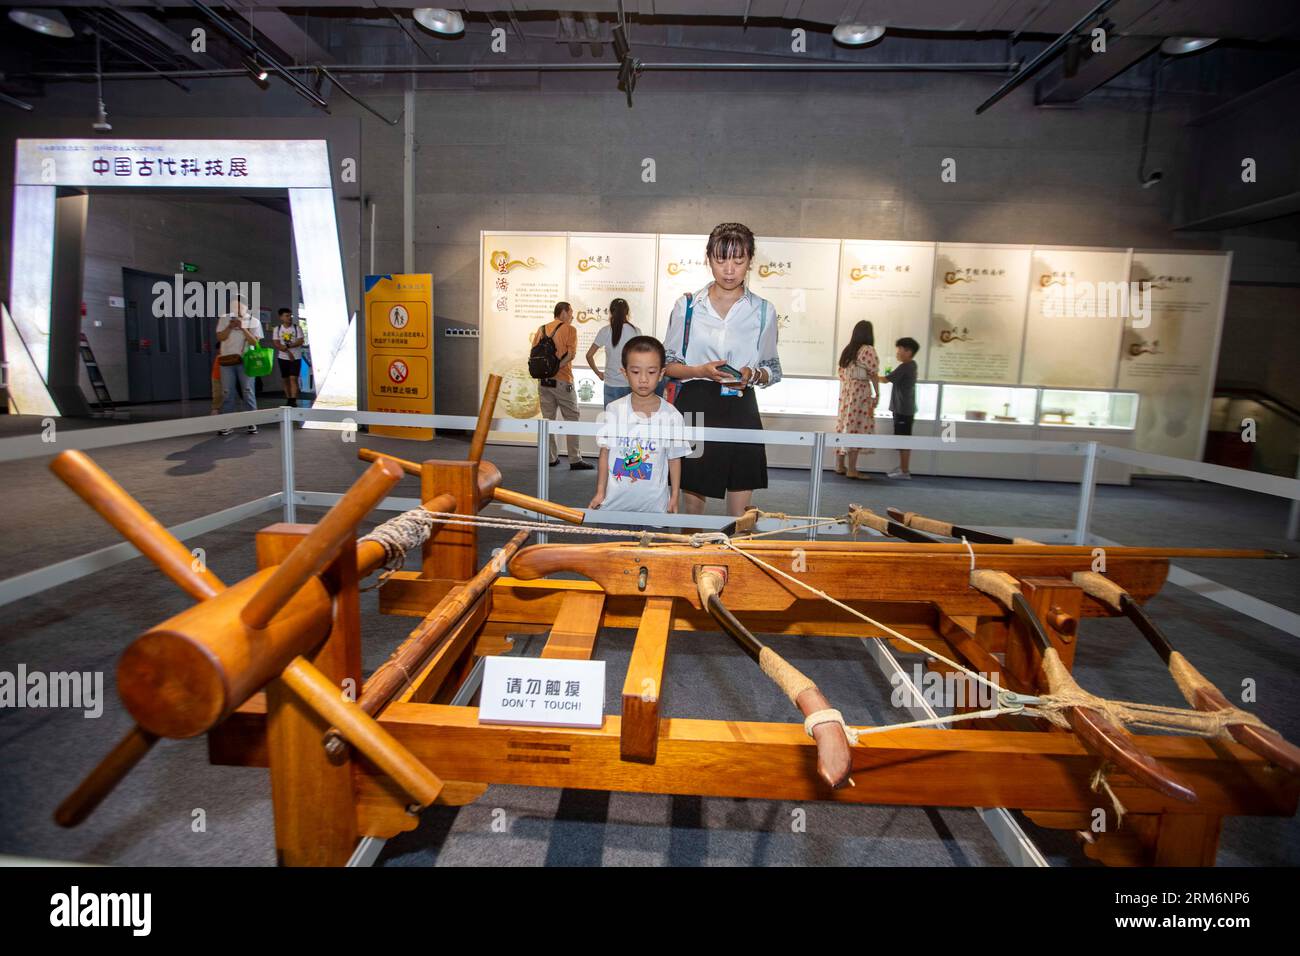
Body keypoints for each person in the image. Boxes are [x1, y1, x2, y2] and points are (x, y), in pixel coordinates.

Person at [663, 222, 781, 518]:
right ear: (708, 259)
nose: (729, 269)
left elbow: (773, 369)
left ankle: (736, 556)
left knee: (741, 499)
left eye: (738, 261)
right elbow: (667, 364)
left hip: (741, 403)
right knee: (693, 496)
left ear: (750, 261)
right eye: (721, 260)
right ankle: (691, 556)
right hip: (695, 402)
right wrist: (700, 370)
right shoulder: (687, 306)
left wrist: (753, 375)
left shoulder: (764, 310)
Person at [589, 335, 688, 515]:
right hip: (613, 506)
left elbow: (674, 459)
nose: (643, 379)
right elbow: (605, 454)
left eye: (651, 372)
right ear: (624, 372)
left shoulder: (672, 414)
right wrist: (600, 492)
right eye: (635, 372)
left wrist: (674, 497)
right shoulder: (613, 409)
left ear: (661, 374)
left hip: (655, 507)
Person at [530, 301, 592, 470]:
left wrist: (548, 371)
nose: (572, 316)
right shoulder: (569, 330)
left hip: (543, 382)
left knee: (547, 420)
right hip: (563, 381)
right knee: (572, 418)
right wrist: (557, 366)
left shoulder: (541, 329)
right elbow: (571, 354)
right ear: (563, 312)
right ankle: (574, 459)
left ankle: (550, 457)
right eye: (571, 312)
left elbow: (534, 353)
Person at [834, 320, 880, 480]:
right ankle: (852, 469)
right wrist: (877, 394)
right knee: (856, 427)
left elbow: (841, 373)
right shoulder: (868, 350)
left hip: (847, 394)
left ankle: (840, 465)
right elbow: (873, 373)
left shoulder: (849, 350)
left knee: (844, 426)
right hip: (860, 392)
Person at [215, 297, 264, 435]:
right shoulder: (224, 319)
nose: (235, 310)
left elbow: (255, 342)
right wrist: (230, 326)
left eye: (238, 307)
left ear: (246, 306)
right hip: (227, 360)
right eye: (233, 307)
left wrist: (243, 328)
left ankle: (251, 422)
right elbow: (220, 338)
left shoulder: (254, 321)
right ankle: (227, 423)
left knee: (248, 391)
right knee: (227, 392)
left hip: (246, 360)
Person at [585, 298, 640, 407]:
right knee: (628, 422)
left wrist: (598, 373)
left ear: (611, 312)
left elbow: (589, 355)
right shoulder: (636, 331)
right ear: (627, 312)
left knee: (611, 422)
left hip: (611, 384)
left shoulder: (605, 331)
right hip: (630, 384)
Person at [885, 337, 920, 479]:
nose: (897, 352)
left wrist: (871, 375)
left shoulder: (906, 366)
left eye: (899, 349)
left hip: (903, 410)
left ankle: (905, 471)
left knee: (904, 440)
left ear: (908, 351)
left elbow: (886, 379)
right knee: (902, 439)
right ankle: (903, 468)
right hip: (904, 409)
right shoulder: (911, 365)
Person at [272, 307, 305, 407]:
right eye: (287, 316)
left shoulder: (297, 328)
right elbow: (276, 343)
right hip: (283, 358)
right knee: (285, 379)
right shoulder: (277, 329)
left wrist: (287, 346)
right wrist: (288, 352)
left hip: (296, 357)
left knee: (293, 378)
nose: (289, 318)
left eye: (290, 315)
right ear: (281, 317)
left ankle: (293, 399)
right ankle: (288, 398)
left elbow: (300, 341)